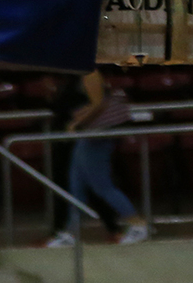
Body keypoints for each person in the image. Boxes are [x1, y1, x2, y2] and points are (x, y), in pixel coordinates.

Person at [46, 69, 147, 247]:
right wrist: (79, 116)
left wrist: (77, 122)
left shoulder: (90, 73)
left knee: (102, 186)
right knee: (76, 186)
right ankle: (71, 233)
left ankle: (138, 225)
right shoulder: (79, 75)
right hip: (87, 136)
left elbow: (99, 104)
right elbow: (94, 104)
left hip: (97, 137)